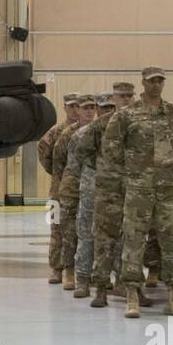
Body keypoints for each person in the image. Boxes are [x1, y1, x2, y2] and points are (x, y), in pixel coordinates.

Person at [101, 67, 173, 318]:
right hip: (138, 189)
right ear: (143, 83)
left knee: (171, 242)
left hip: (167, 189)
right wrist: (132, 170)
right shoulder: (127, 114)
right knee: (133, 241)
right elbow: (110, 148)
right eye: (152, 81)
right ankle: (132, 293)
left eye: (160, 81)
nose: (156, 85)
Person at [90, 81, 135, 305]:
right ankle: (100, 288)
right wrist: (103, 171)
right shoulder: (101, 124)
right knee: (104, 241)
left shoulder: (140, 123)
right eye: (121, 96)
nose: (126, 99)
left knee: (132, 240)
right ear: (114, 98)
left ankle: (127, 284)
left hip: (134, 191)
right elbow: (82, 152)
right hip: (108, 191)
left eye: (129, 96)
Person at [73, 94, 114, 300]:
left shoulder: (122, 132)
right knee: (86, 234)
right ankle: (82, 279)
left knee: (116, 237)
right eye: (104, 108)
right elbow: (75, 162)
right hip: (91, 189)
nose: (108, 112)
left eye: (111, 108)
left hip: (115, 192)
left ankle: (114, 281)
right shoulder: (83, 133)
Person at [56, 95, 97, 292]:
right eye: (85, 108)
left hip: (93, 190)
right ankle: (69, 271)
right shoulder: (69, 134)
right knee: (70, 234)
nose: (89, 111)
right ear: (77, 110)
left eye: (92, 107)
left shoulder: (99, 130)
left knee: (92, 233)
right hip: (72, 189)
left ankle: (93, 273)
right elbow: (58, 161)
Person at [47, 95, 82, 283]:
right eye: (72, 106)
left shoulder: (88, 129)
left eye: (79, 106)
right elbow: (46, 156)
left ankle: (78, 269)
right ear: (65, 108)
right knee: (57, 230)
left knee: (79, 230)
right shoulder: (56, 132)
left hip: (80, 189)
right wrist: (59, 176)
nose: (76, 110)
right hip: (57, 190)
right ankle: (56, 269)